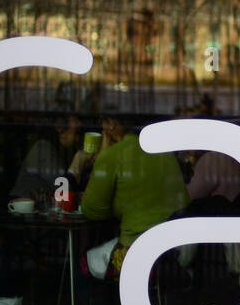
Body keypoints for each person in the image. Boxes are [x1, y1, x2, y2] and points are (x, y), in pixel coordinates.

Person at [79, 113, 190, 282]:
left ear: (111, 124)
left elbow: (91, 210)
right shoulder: (165, 152)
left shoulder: (113, 155)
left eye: (103, 124)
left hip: (140, 253)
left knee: (83, 263)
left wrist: (102, 154)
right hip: (177, 250)